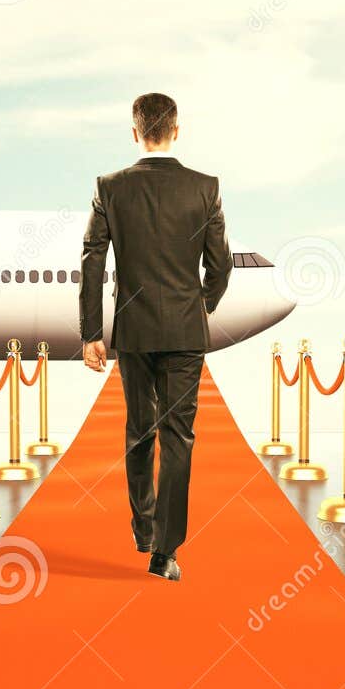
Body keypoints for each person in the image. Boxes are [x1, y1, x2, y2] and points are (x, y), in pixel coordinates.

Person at [79, 92, 232, 582]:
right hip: (185, 330)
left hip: (135, 328)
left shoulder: (110, 187)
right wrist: (200, 304)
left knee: (139, 429)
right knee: (180, 436)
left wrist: (90, 333)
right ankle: (164, 553)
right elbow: (222, 263)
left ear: (135, 132)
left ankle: (143, 528)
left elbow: (92, 261)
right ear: (177, 130)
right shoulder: (205, 187)